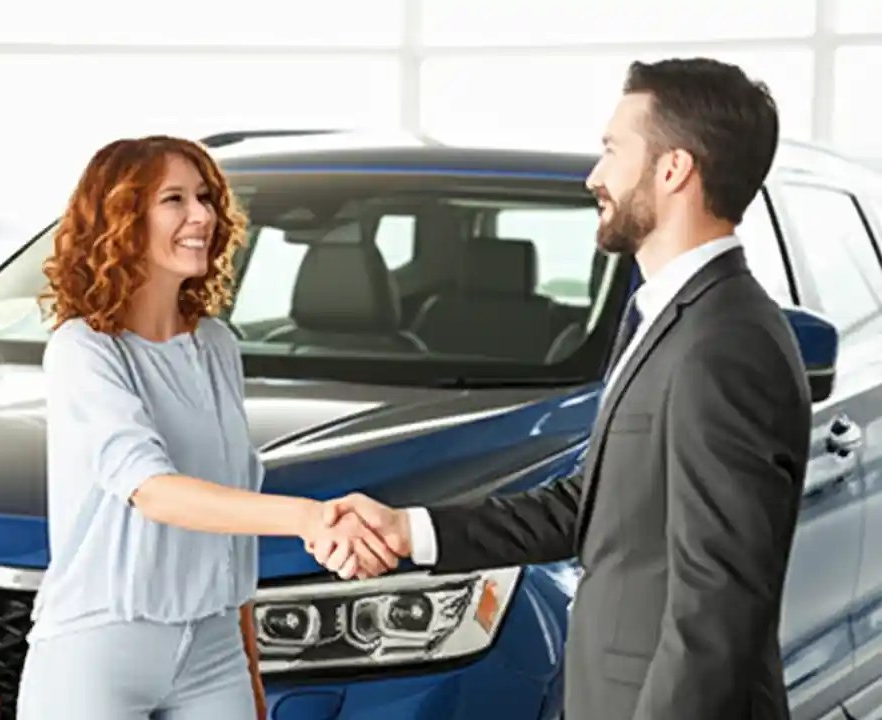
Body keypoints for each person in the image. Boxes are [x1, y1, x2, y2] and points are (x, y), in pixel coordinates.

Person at [314, 58, 811, 720]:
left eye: (612, 150)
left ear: (674, 170)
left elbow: (718, 604)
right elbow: (593, 508)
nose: (595, 177)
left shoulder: (724, 344)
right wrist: (409, 530)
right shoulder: (675, 320)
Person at [16, 135, 396, 719]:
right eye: (174, 200)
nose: (202, 216)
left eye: (205, 197)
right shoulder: (83, 350)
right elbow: (154, 491)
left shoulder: (217, 345)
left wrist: (248, 667)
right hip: (100, 646)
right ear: (120, 219)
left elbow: (229, 519)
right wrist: (307, 517)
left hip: (214, 651)